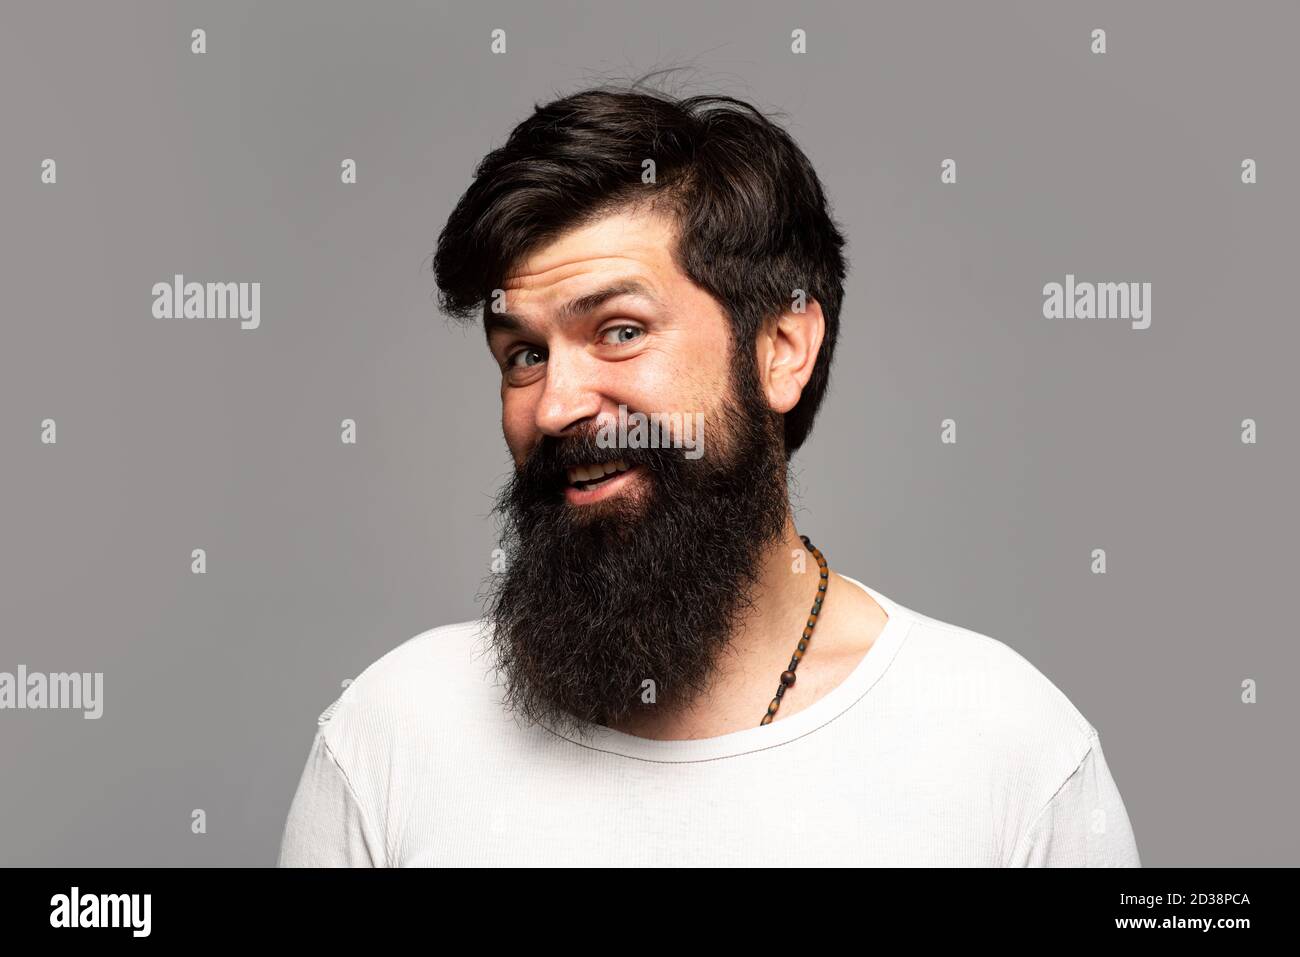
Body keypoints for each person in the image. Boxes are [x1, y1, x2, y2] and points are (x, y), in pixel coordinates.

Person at [277, 82, 1140, 867]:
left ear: (781, 348)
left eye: (619, 330)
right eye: (525, 354)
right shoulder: (390, 736)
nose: (554, 406)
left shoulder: (1011, 750)